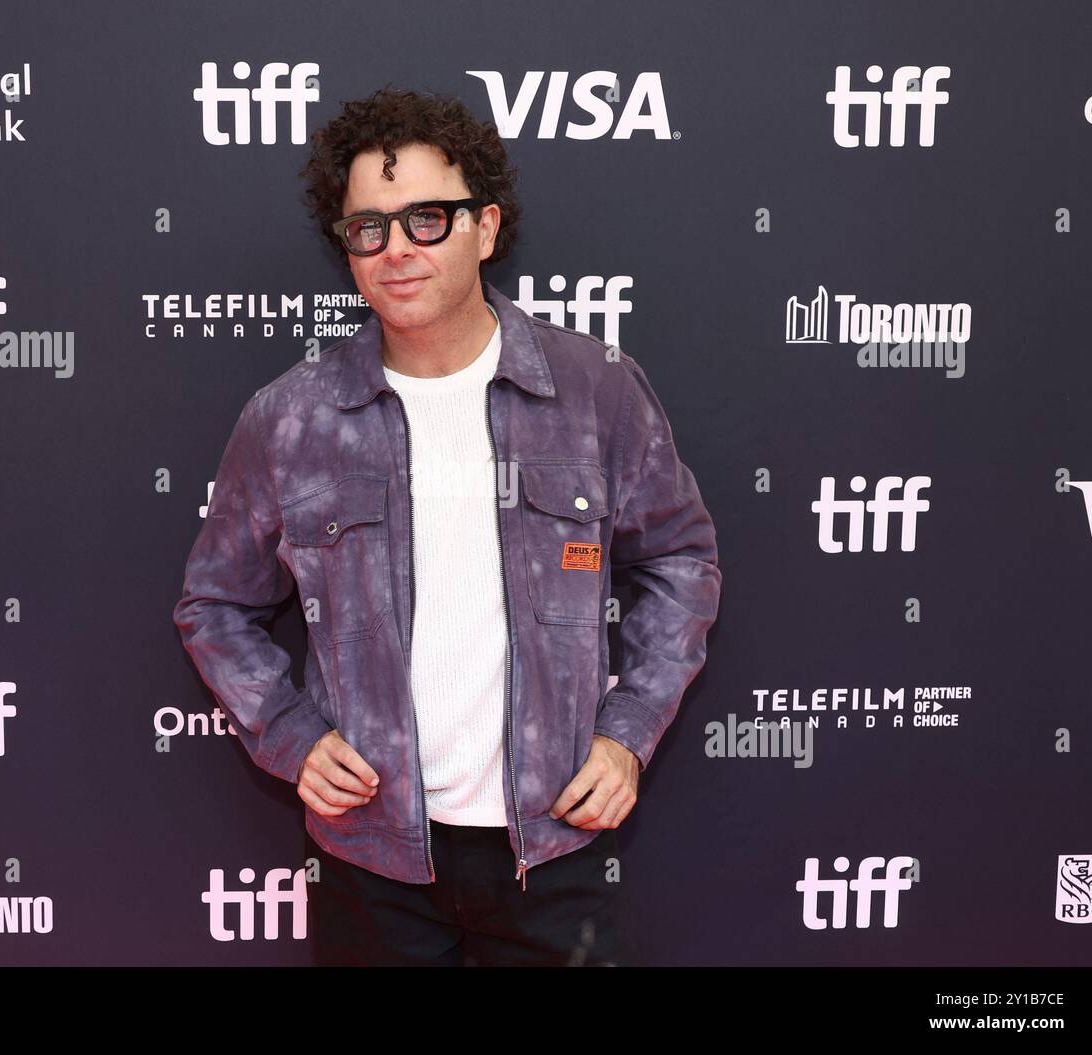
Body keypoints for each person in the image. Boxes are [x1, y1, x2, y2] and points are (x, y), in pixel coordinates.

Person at [173, 86, 722, 966]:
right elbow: (214, 603)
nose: (397, 249)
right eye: (369, 228)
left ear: (486, 227)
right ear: (347, 250)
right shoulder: (291, 420)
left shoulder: (595, 392)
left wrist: (628, 734)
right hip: (370, 858)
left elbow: (681, 559)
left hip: (557, 851)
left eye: (427, 219)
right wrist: (289, 734)